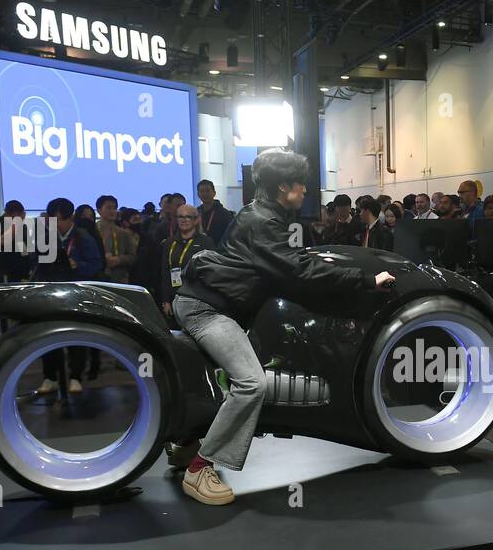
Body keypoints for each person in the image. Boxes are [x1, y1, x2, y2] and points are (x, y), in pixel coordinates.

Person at [171, 149, 395, 505]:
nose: (305, 190)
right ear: (282, 187)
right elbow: (299, 271)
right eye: (300, 185)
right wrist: (366, 279)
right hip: (207, 310)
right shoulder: (264, 222)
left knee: (219, 376)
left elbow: (289, 264)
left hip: (205, 302)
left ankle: (186, 445)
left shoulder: (256, 214)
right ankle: (200, 468)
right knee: (251, 383)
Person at [33, 197, 102, 396]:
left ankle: (75, 377)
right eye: (51, 221)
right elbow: (35, 262)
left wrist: (77, 265)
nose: (55, 225)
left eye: (59, 220)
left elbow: (97, 264)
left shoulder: (84, 237)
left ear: (70, 218)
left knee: (76, 336)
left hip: (77, 292)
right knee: (48, 336)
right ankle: (50, 377)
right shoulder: (45, 238)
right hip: (51, 292)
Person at [160, 204, 216, 324]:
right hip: (173, 298)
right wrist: (165, 300)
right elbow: (165, 273)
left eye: (188, 217)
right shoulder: (170, 242)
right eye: (180, 217)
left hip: (196, 301)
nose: (183, 220)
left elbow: (211, 273)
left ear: (196, 220)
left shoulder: (206, 242)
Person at [97, 194, 137, 284]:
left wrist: (118, 260)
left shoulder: (124, 233)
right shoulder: (93, 231)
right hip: (97, 277)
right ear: (99, 210)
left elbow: (133, 257)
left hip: (119, 279)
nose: (112, 211)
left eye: (114, 208)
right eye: (108, 208)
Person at [196, 179, 234, 247]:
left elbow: (230, 237)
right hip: (198, 251)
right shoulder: (196, 213)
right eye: (202, 191)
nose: (205, 194)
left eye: (207, 191)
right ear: (198, 194)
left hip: (218, 252)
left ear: (214, 193)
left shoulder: (224, 214)